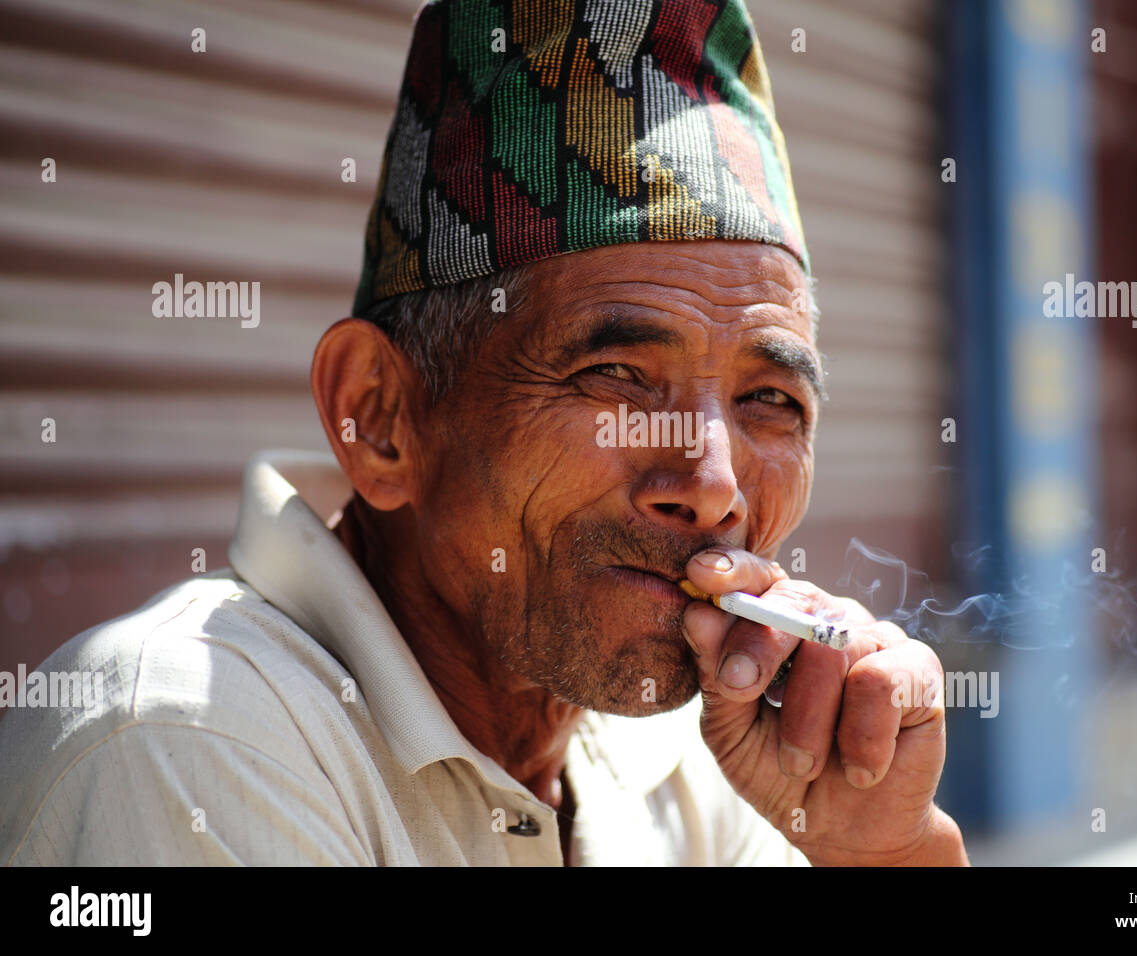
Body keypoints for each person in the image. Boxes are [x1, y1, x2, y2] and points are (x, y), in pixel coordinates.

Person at [0, 0, 967, 866]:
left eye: (770, 403)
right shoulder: (188, 744)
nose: (714, 485)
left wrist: (881, 852)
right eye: (615, 375)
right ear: (380, 417)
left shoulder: (688, 750)